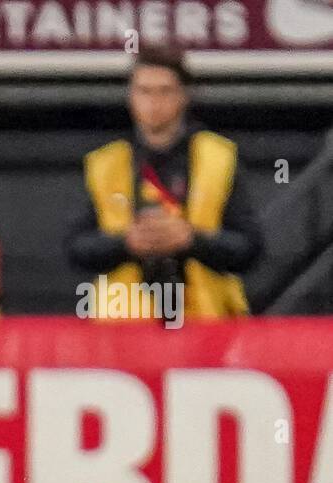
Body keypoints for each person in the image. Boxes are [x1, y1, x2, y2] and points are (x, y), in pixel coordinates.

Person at [68, 46, 262, 323]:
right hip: (124, 326)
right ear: (130, 97)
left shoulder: (219, 158)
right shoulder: (105, 163)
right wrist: (127, 243)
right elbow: (76, 248)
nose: (153, 102)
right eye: (144, 91)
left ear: (184, 96)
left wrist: (191, 239)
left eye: (164, 91)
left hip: (208, 324)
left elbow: (249, 248)